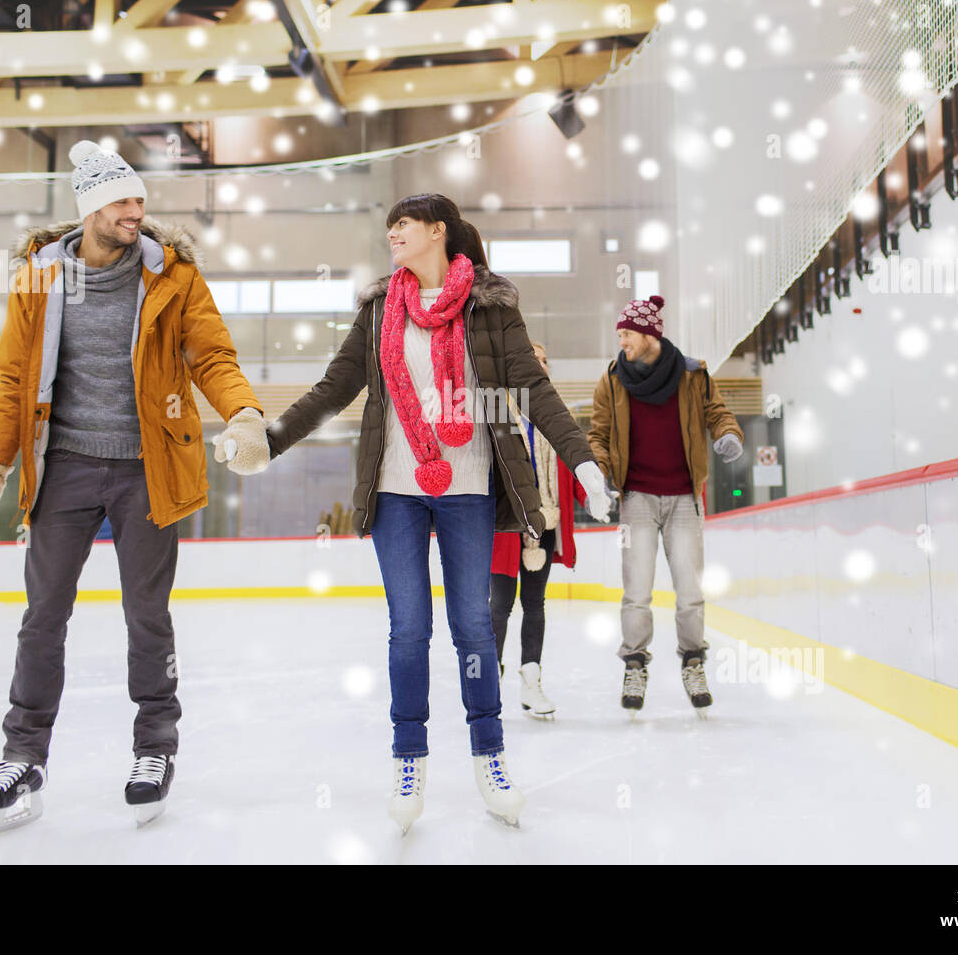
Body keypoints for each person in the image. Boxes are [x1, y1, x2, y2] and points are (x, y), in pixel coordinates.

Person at [263, 193, 612, 833]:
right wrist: (270, 438)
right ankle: (409, 756)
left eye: (404, 224)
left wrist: (582, 460)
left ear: (436, 231)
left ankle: (490, 753)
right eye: (389, 224)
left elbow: (531, 389)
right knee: (409, 628)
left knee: (474, 629)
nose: (392, 233)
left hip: (470, 486)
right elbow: (332, 389)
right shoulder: (378, 311)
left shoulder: (490, 308)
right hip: (396, 489)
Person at [0, 140, 269, 832]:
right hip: (63, 466)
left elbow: (211, 354)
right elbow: (15, 382)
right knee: (43, 617)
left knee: (147, 615)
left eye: (140, 200)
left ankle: (155, 749)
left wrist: (245, 413)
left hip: (148, 468)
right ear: (91, 208)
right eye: (123, 201)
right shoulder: (41, 278)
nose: (138, 212)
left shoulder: (172, 275)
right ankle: (22, 756)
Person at [587, 295, 744, 715]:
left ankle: (694, 662)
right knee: (636, 591)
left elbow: (717, 413)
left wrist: (728, 434)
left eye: (626, 335)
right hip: (635, 498)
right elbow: (599, 434)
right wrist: (601, 471)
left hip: (684, 499)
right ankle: (635, 664)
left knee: (690, 592)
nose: (621, 342)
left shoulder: (693, 374)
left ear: (649, 333)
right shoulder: (613, 380)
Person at [489, 342, 590, 720]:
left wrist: (593, 493)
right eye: (535, 360)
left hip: (545, 523)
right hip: (505, 523)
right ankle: (489, 682)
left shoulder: (555, 412)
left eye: (546, 360)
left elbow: (573, 457)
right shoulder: (498, 407)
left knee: (535, 604)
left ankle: (531, 682)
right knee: (499, 605)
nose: (542, 366)